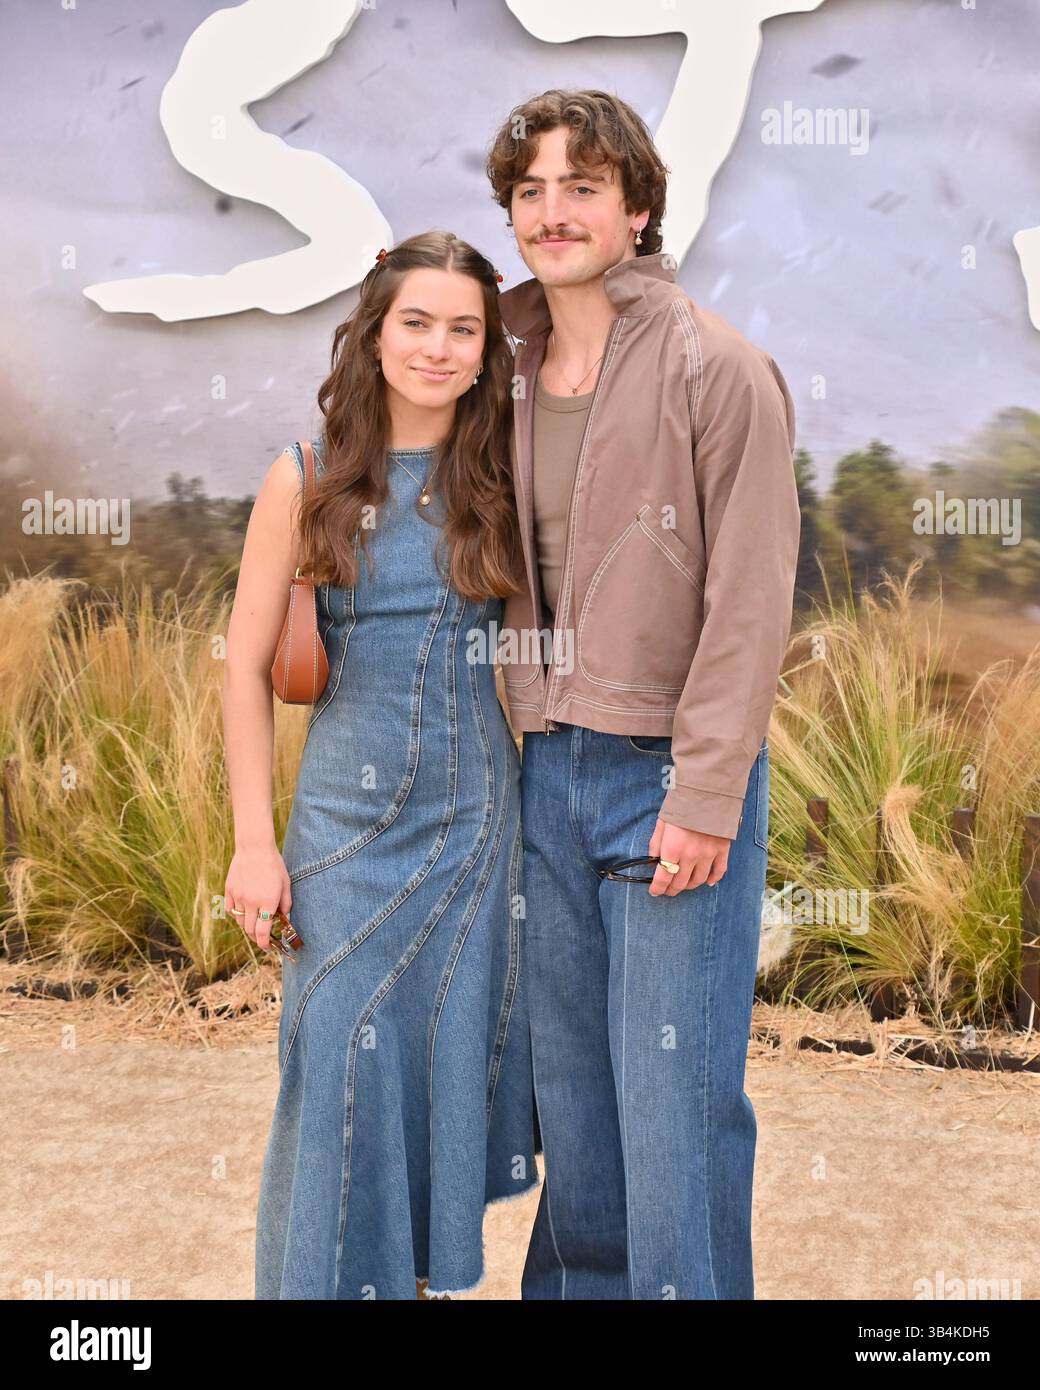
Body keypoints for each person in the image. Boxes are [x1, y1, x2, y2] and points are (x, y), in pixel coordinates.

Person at [485, 90, 801, 1299]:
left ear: (637, 206)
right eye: (529, 189)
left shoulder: (718, 369)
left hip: (664, 777)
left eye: (581, 185)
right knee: (575, 1110)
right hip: (538, 770)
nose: (552, 211)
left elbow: (750, 599)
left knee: (672, 1113)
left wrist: (707, 793)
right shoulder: (494, 364)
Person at [222, 231, 538, 1301]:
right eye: (416, 322)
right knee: (335, 1078)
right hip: (341, 846)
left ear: (487, 346)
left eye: (464, 329)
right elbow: (242, 673)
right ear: (373, 329)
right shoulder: (302, 477)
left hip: (472, 838)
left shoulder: (502, 474)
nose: (438, 348)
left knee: (429, 1084)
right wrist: (254, 846)